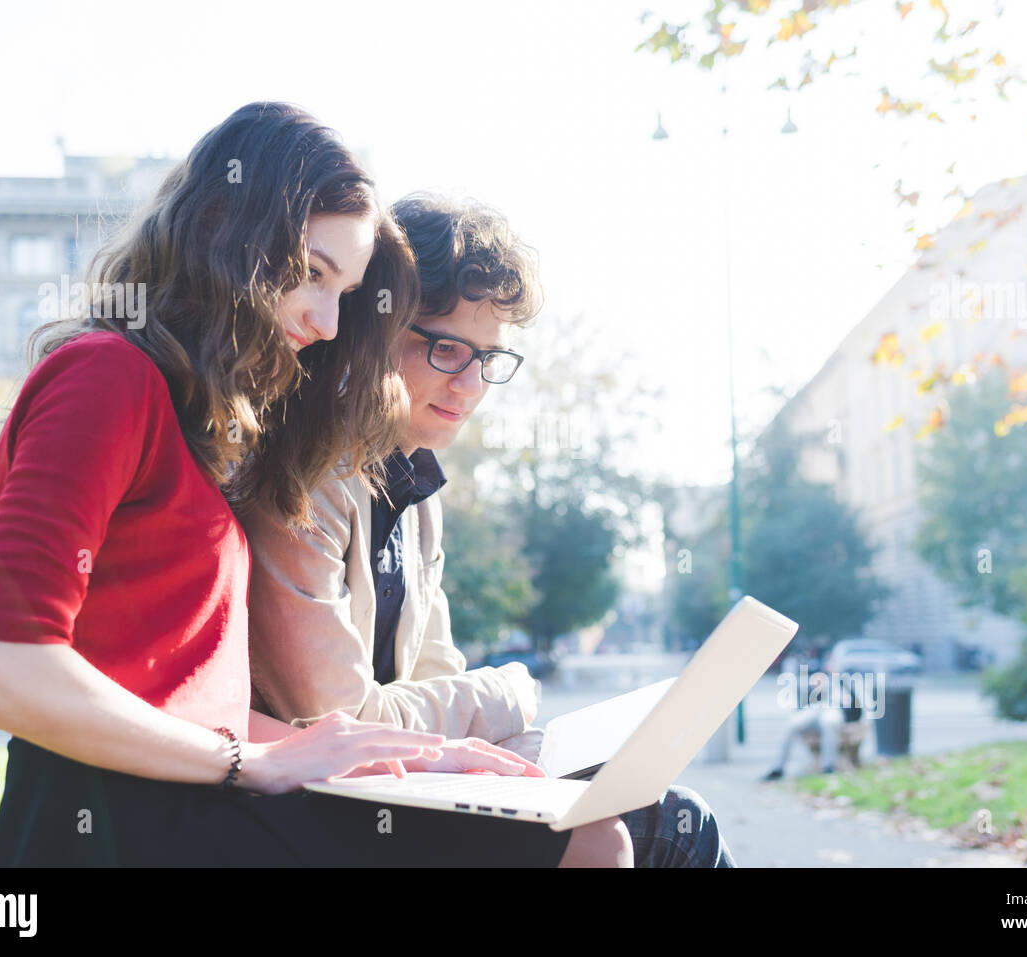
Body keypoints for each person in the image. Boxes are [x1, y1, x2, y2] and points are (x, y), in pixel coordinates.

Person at [0, 103, 629, 867]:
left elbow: (181, 700)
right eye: (312, 274)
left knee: (585, 817)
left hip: (196, 797)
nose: (330, 322)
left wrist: (373, 750)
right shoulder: (105, 376)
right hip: (108, 820)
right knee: (585, 841)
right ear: (221, 228)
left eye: (345, 291)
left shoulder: (198, 426)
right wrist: (252, 761)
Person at [242, 193, 731, 867]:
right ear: (374, 327)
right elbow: (338, 719)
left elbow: (433, 675)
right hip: (315, 800)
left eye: (490, 358)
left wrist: (513, 743)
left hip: (409, 784)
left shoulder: (417, 486)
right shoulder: (304, 477)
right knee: (639, 834)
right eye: (446, 348)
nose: (470, 383)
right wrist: (502, 693)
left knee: (672, 812)